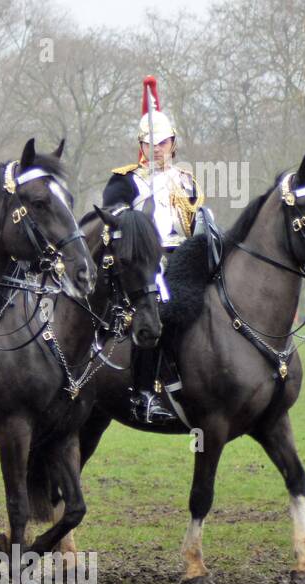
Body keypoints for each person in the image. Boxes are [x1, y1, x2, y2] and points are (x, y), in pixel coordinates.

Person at [103, 75, 205, 424]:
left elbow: (193, 225)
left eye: (164, 143)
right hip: (146, 263)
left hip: (184, 259)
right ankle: (145, 393)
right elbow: (117, 221)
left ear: (173, 143)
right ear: (141, 146)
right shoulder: (125, 180)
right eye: (151, 144)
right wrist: (147, 192)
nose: (158, 149)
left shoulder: (186, 180)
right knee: (155, 310)